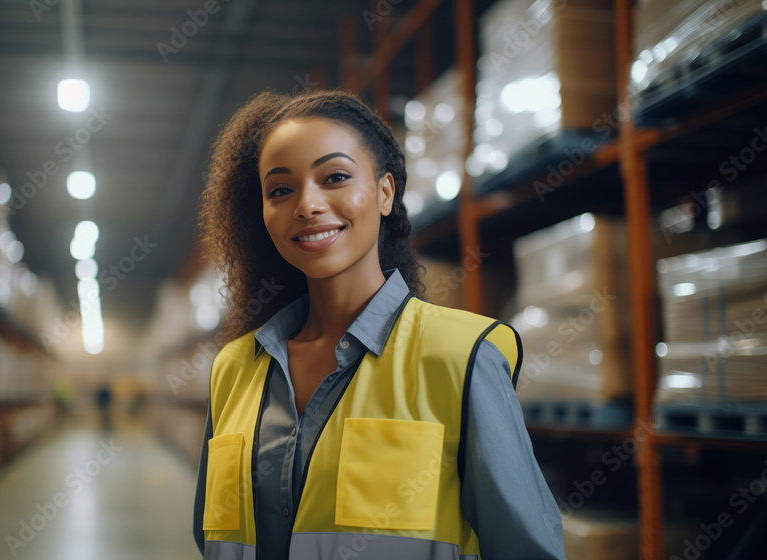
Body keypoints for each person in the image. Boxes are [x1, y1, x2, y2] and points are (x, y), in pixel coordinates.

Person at [191, 88, 566, 559]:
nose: (306, 204)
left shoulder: (461, 357)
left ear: (385, 193)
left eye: (335, 177)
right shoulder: (234, 368)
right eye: (280, 190)